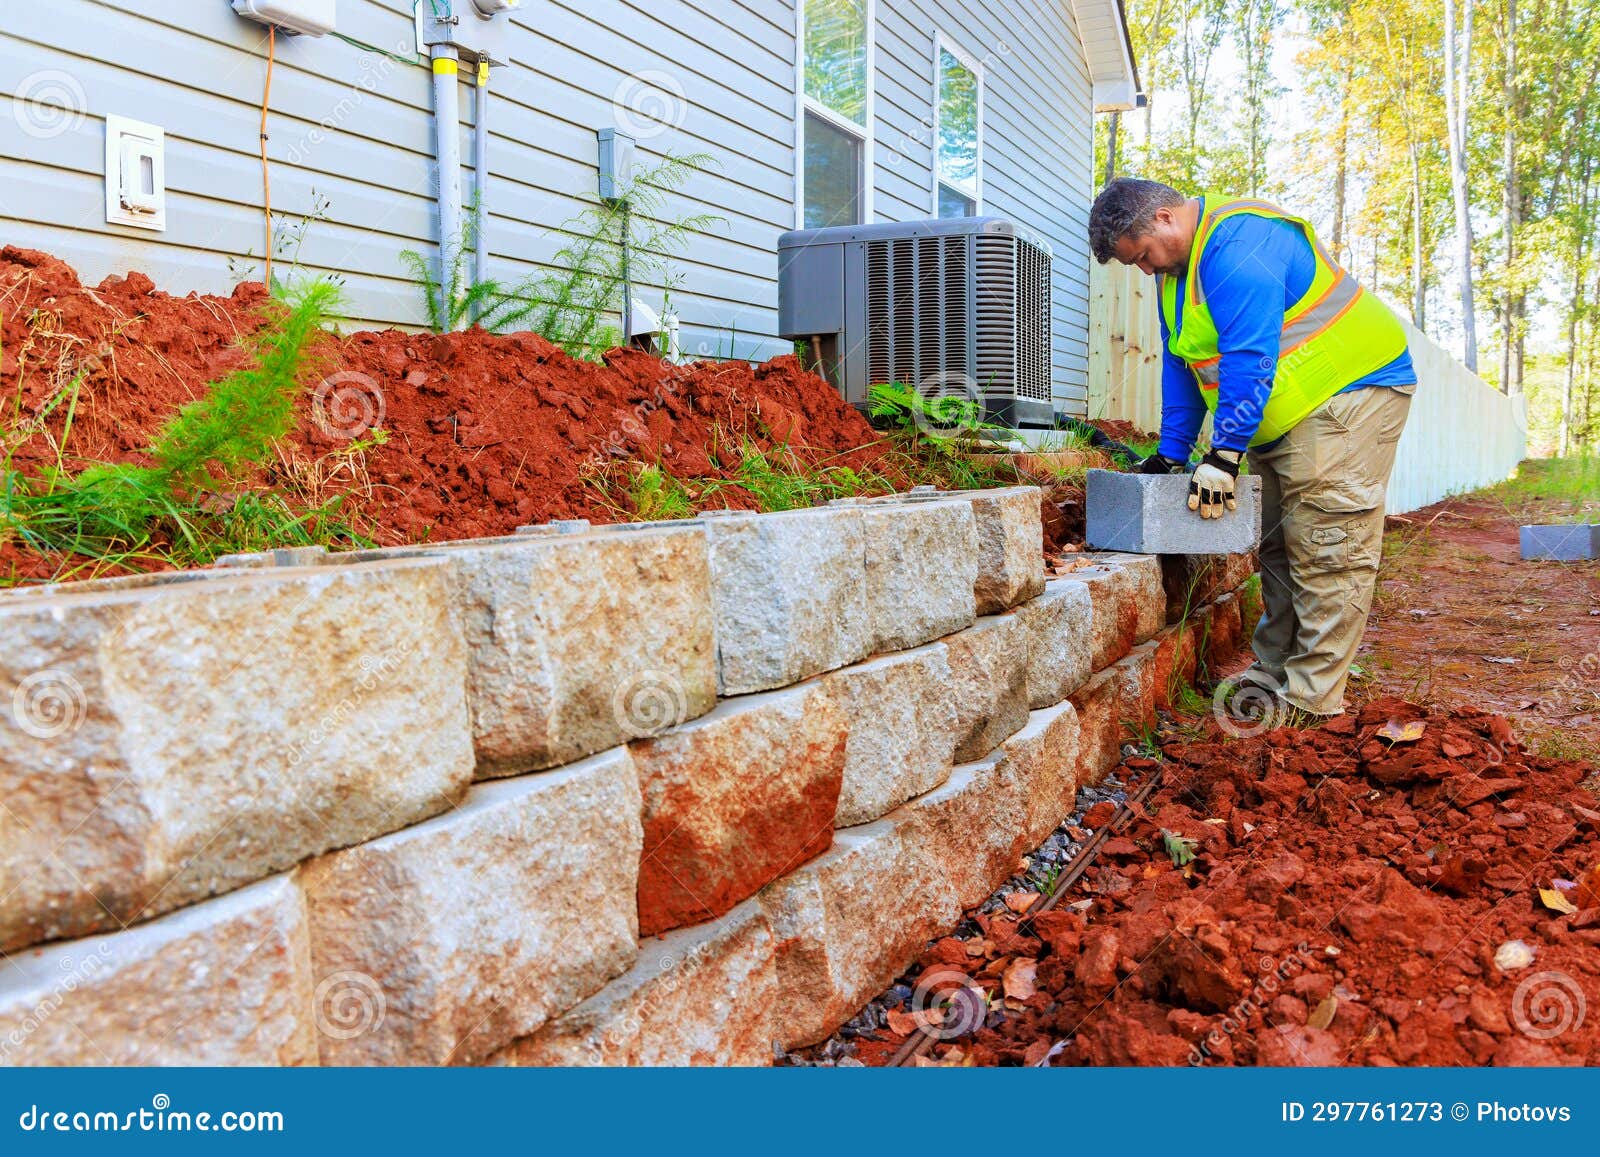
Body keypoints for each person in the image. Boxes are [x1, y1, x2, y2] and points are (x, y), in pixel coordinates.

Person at [1087, 177, 1416, 721]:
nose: (1143, 271)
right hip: (1278, 413)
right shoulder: (1177, 274)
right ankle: (1272, 670)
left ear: (1166, 217)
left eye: (1142, 256)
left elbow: (1249, 354)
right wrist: (1171, 453)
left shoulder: (1241, 242)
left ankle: (1312, 701)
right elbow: (1181, 362)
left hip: (1348, 392)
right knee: (1278, 549)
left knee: (1328, 547)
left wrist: (1223, 455)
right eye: (1133, 265)